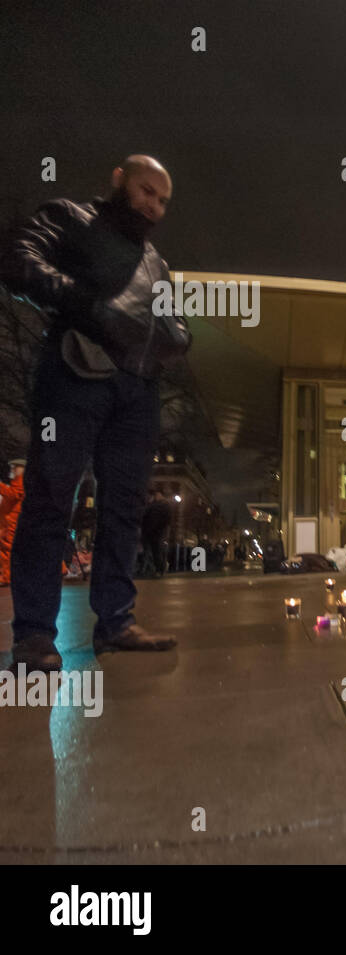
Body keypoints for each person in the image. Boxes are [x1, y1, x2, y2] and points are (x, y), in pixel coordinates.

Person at [0, 155, 192, 672]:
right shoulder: (69, 217)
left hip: (138, 393)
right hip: (75, 374)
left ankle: (116, 621)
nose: (153, 204)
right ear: (118, 180)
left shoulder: (157, 263)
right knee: (50, 497)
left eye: (163, 200)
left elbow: (168, 317)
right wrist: (87, 305)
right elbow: (17, 259)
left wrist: (177, 336)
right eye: (146, 190)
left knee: (125, 508)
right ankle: (35, 635)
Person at [0, 460, 25, 586]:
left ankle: (6, 577)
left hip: (11, 523)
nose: (13, 469)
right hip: (10, 522)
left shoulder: (20, 481)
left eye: (16, 467)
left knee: (6, 550)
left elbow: (13, 495)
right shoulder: (18, 482)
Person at [139, 489, 171, 578]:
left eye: (157, 494)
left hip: (157, 531)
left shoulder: (163, 505)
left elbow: (167, 519)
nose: (156, 496)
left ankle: (159, 569)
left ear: (160, 495)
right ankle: (153, 569)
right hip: (150, 531)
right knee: (151, 551)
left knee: (156, 551)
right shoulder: (153, 504)